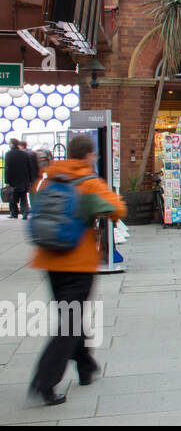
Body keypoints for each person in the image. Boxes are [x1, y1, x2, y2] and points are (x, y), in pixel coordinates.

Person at [29, 133, 125, 405]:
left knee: (71, 314)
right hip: (77, 261)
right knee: (70, 322)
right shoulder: (89, 182)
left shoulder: (49, 178)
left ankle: (85, 365)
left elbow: (37, 208)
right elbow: (117, 209)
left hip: (48, 259)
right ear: (90, 155)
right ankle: (44, 381)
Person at [5, 137, 35, 219]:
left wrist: (7, 180)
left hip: (13, 179)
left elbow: (7, 168)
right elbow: (29, 167)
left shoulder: (8, 154)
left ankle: (14, 213)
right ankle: (25, 212)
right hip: (23, 179)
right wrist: (30, 179)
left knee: (12, 197)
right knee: (23, 197)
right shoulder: (24, 154)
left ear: (12, 144)